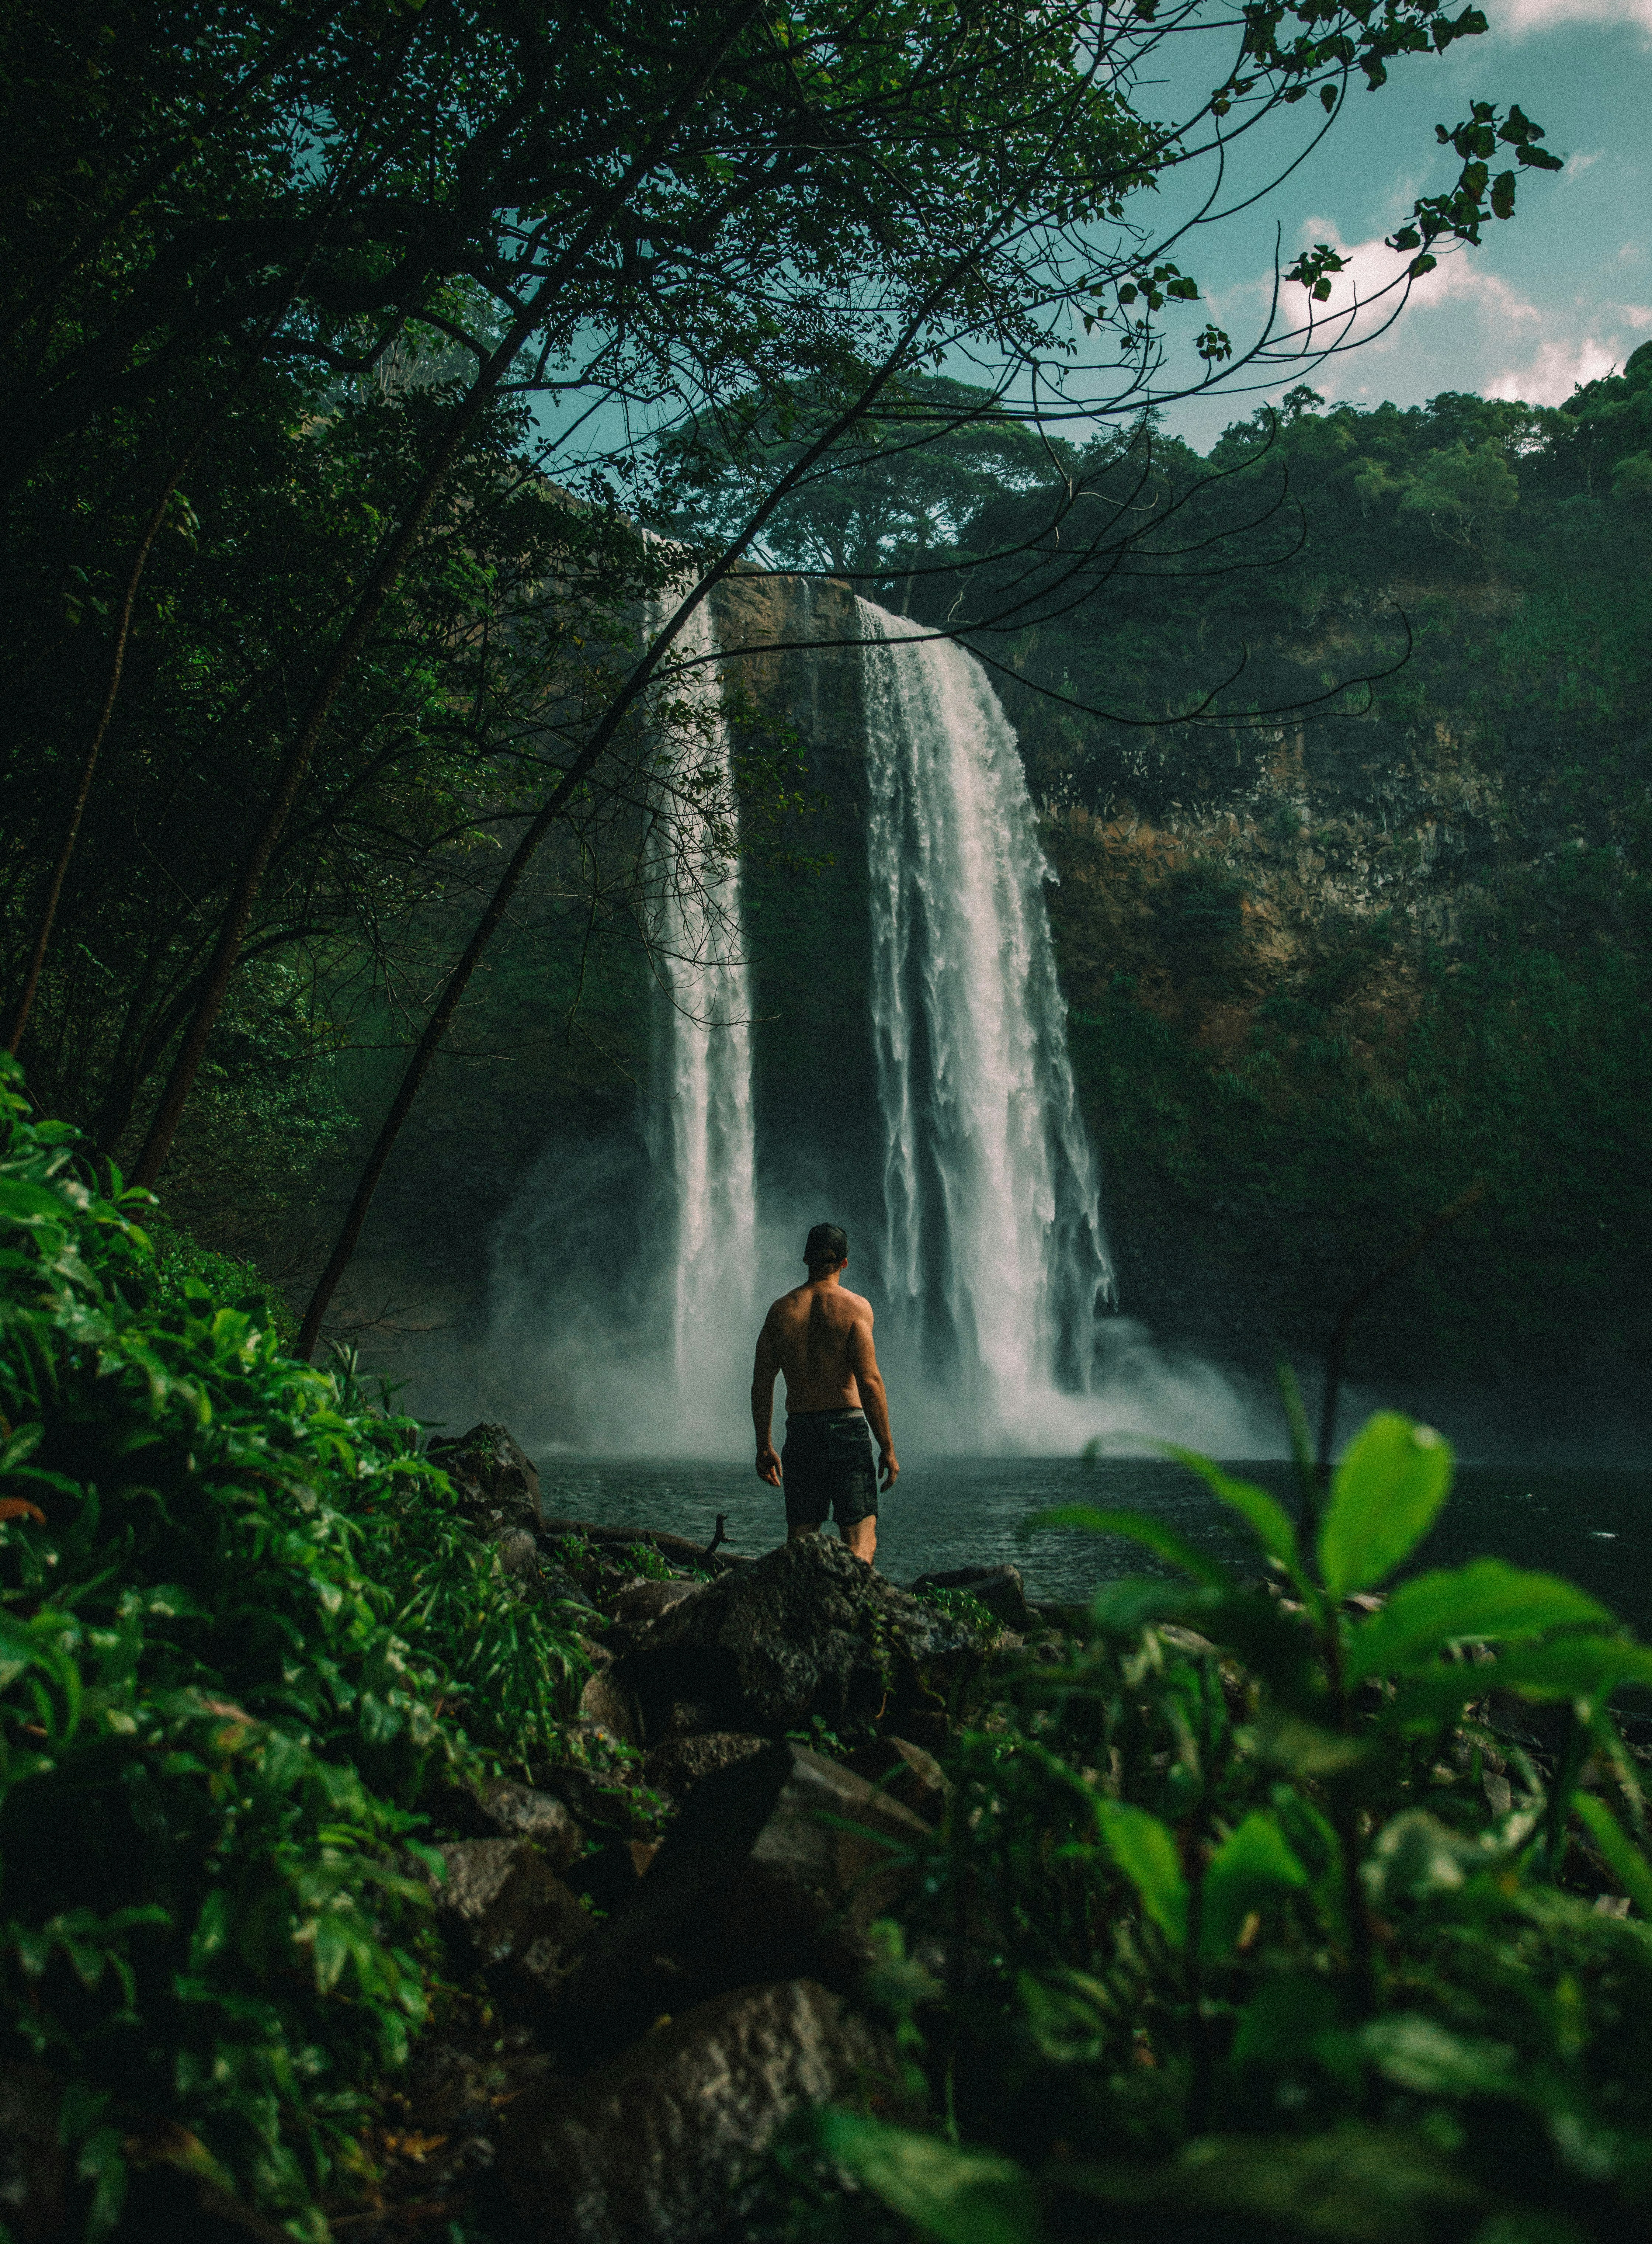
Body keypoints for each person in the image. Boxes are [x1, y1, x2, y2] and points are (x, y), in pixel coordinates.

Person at [750, 1221, 899, 1564]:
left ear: (806, 1259)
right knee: (861, 1541)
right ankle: (852, 1614)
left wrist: (764, 1446)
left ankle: (798, 1614)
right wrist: (887, 1448)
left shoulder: (780, 1311)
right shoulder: (855, 1308)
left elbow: (762, 1383)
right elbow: (870, 1380)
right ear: (844, 1263)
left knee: (800, 1542)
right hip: (846, 1431)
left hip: (800, 1433)